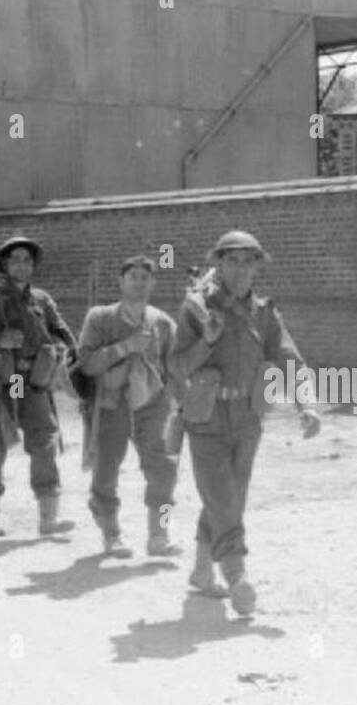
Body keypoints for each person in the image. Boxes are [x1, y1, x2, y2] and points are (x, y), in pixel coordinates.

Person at [168, 230, 321, 616]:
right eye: (232, 260)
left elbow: (289, 359)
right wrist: (207, 340)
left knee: (229, 498)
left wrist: (307, 404)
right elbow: (176, 366)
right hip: (205, 418)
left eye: (248, 261)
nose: (240, 269)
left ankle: (203, 572)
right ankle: (237, 577)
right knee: (222, 498)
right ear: (218, 263)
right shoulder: (196, 309)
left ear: (257, 267)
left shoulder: (264, 312)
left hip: (249, 418)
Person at [0, 236, 77, 537]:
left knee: (44, 443)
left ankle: (48, 519)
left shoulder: (42, 300)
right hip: (4, 384)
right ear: (5, 265)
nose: (22, 265)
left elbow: (61, 331)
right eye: (16, 260)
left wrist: (66, 350)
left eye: (27, 259)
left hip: (34, 382)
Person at [75, 254, 182, 558]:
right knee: (106, 472)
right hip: (112, 404)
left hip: (153, 404)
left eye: (145, 277)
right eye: (132, 276)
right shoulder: (100, 318)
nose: (138, 283)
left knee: (164, 470)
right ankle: (111, 535)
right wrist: (125, 347)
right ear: (121, 282)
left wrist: (185, 406)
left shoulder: (162, 322)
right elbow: (86, 364)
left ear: (153, 283)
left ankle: (159, 535)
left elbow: (175, 367)